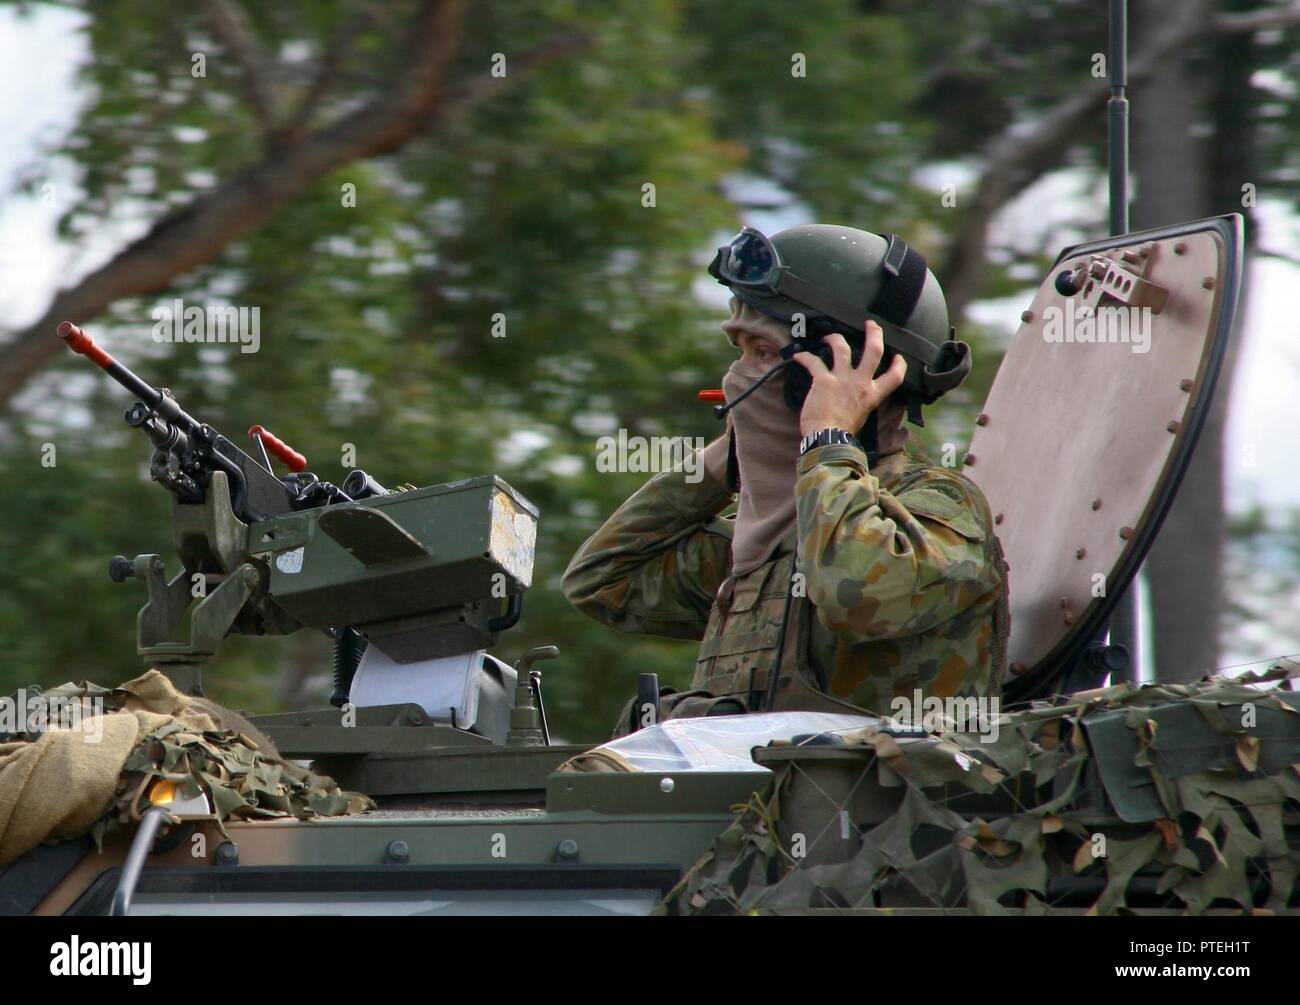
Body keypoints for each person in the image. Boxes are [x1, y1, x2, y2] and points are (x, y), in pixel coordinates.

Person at [562, 224, 1009, 729]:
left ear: (843, 372)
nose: (735, 379)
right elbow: (603, 580)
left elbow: (856, 595)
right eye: (738, 350)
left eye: (762, 352)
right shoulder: (769, 541)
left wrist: (827, 435)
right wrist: (726, 462)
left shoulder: (938, 505)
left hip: (866, 806)